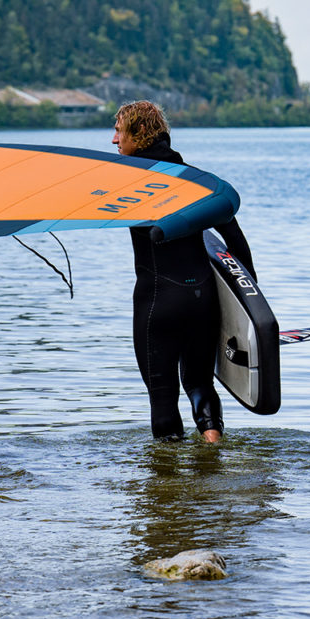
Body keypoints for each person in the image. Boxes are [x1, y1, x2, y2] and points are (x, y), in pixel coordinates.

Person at [112, 101, 254, 443]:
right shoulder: (196, 180)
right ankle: (213, 454)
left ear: (139, 133)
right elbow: (237, 243)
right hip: (202, 299)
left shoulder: (126, 183)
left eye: (119, 130)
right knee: (200, 385)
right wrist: (248, 308)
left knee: (163, 400)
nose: (114, 140)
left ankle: (169, 488)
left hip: (158, 301)